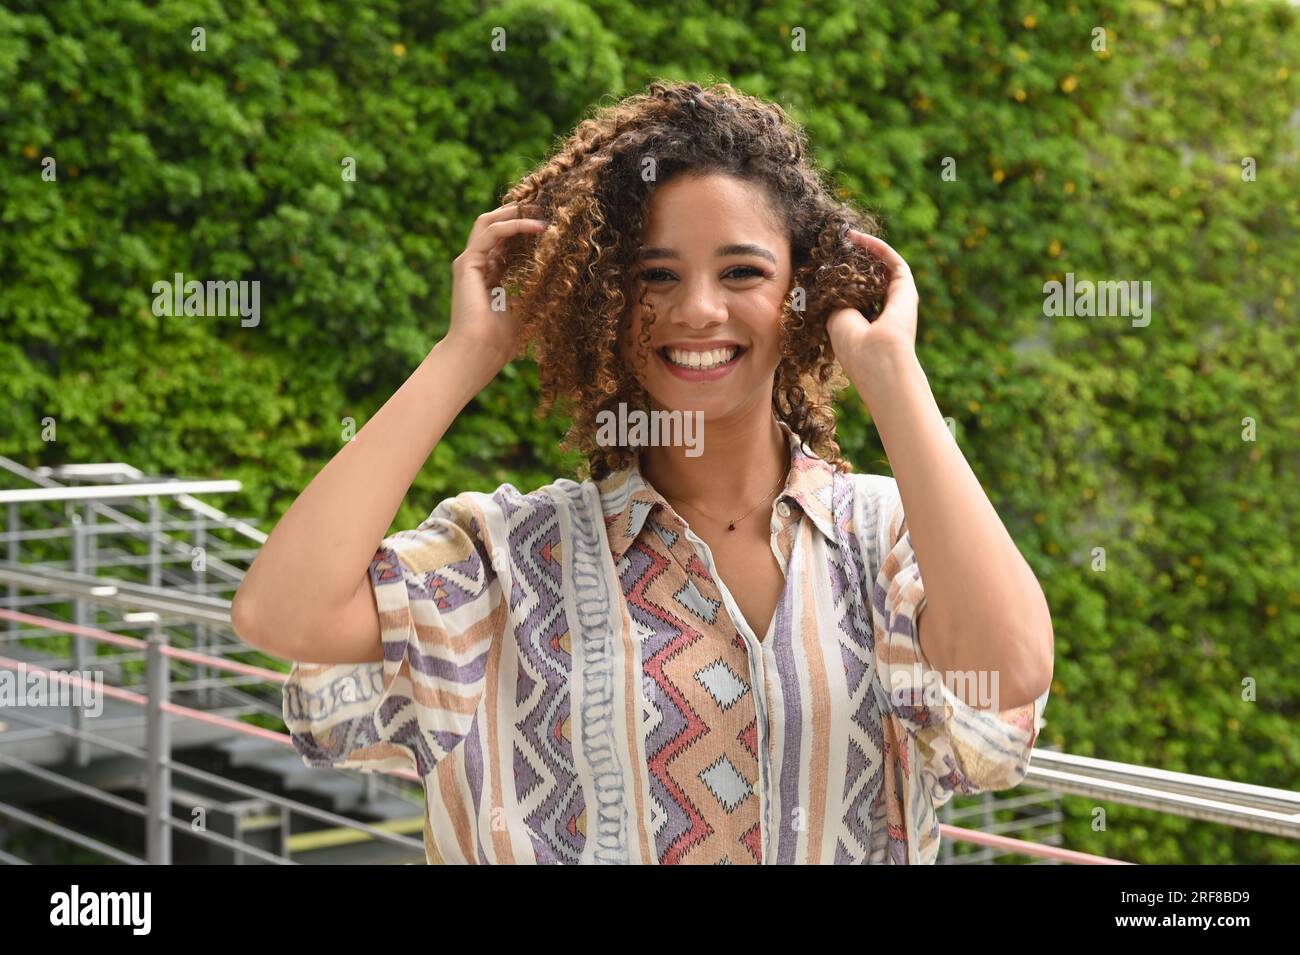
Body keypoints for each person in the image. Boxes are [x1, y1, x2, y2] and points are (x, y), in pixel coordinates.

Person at [232, 80, 1053, 865]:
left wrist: (891, 375)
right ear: (604, 300)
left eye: (743, 272)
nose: (697, 308)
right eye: (655, 276)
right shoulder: (509, 558)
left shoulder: (886, 539)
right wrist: (467, 353)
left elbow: (1011, 665)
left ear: (799, 291)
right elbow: (282, 611)